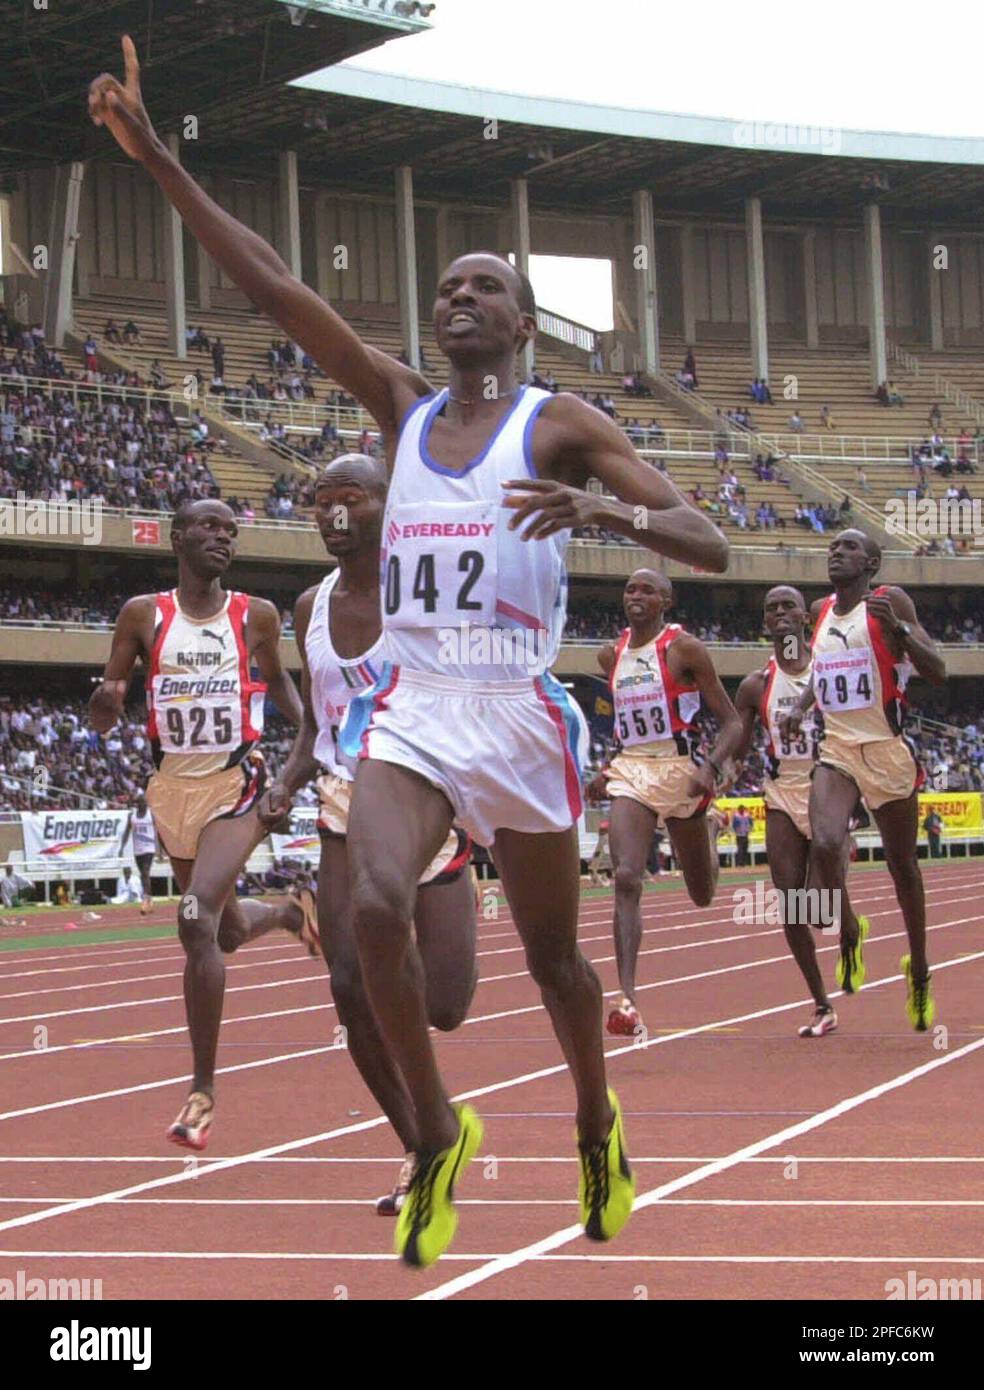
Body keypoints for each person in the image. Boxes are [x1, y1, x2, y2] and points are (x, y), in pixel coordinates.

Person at [88, 35, 729, 1267]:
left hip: (519, 708)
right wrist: (160, 159)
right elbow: (278, 287)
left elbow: (704, 536)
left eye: (483, 286)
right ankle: (436, 1132)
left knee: (554, 961)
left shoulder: (558, 422)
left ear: (524, 322)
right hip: (422, 701)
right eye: (445, 286)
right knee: (372, 902)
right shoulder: (401, 408)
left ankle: (595, 1119)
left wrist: (602, 511)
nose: (457, 298)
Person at [258, 454, 478, 1217]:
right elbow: (317, 722)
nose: (333, 515)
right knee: (352, 989)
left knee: (444, 1005)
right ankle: (424, 1144)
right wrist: (287, 780)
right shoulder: (308, 606)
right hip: (345, 804)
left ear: (391, 505)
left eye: (350, 500)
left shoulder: (427, 592)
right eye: (321, 502)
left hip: (425, 800)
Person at [88, 497, 318, 1152]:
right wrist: (104, 702)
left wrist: (308, 746)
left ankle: (202, 1092)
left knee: (194, 919)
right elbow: (105, 710)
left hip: (236, 783)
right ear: (177, 538)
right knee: (228, 931)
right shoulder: (143, 614)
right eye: (209, 527)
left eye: (231, 531)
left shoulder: (255, 615)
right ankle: (290, 912)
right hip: (172, 792)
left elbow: (282, 688)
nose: (223, 537)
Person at [781, 530, 946, 1030]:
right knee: (827, 842)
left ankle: (919, 969)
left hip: (887, 750)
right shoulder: (819, 611)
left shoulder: (889, 602)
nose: (837, 552)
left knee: (903, 867)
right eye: (833, 547)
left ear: (871, 563)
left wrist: (900, 629)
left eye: (850, 548)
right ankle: (850, 928)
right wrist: (801, 707)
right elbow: (823, 670)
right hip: (838, 748)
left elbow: (937, 669)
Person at [587, 570, 741, 1036]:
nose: (636, 595)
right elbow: (626, 724)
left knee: (702, 894)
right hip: (633, 769)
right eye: (630, 589)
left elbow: (733, 722)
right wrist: (607, 768)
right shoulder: (611, 654)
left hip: (681, 771)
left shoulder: (684, 650)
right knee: (626, 876)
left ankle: (707, 833)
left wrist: (710, 767)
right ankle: (628, 999)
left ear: (666, 601)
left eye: (647, 590)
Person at [733, 586, 839, 1037]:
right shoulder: (755, 686)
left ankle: (850, 927)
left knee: (820, 910)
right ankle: (822, 1004)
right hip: (781, 792)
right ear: (765, 622)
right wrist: (714, 777)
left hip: (830, 787)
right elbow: (737, 748)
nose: (780, 612)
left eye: (788, 606)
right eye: (771, 608)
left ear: (805, 617)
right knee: (792, 906)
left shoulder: (828, 669)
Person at [122, 791, 157, 914]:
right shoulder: (132, 816)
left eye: (146, 802)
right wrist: (121, 847)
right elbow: (127, 831)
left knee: (145, 872)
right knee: (143, 874)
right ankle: (150, 900)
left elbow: (158, 831)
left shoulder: (150, 815)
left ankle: (145, 900)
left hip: (149, 848)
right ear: (138, 804)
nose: (145, 804)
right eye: (142, 802)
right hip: (138, 849)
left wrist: (160, 850)